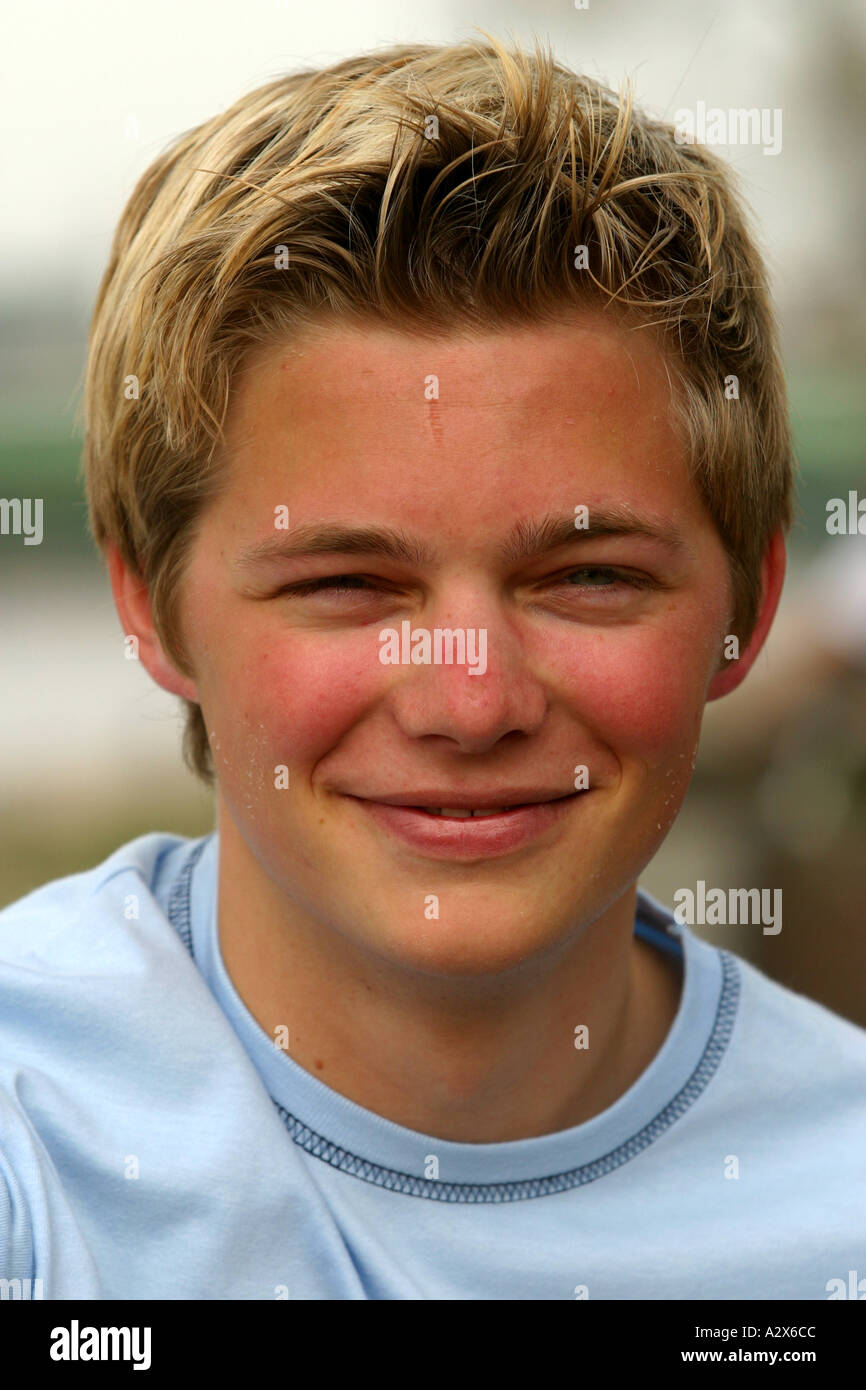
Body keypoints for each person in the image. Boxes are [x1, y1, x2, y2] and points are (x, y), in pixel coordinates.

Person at [1, 34, 862, 1302]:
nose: (469, 701)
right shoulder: (33, 1136)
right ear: (151, 602)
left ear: (748, 604)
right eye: (346, 585)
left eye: (587, 578)